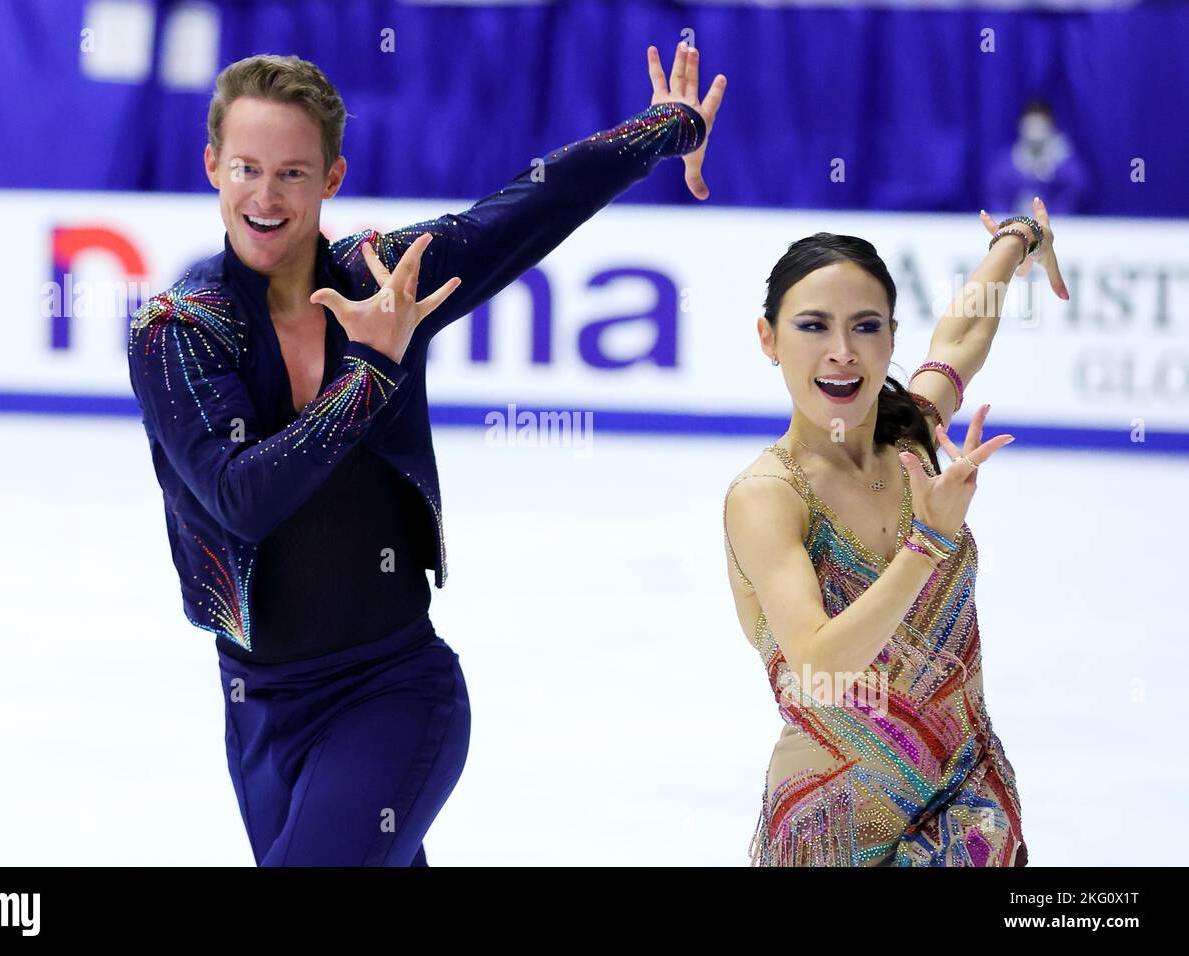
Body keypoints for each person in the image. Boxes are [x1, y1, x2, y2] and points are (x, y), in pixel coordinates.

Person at [128, 47, 724, 865]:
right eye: (247, 169)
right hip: (258, 705)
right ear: (211, 167)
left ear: (332, 177)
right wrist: (367, 375)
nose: (266, 197)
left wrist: (669, 126)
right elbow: (242, 497)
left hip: (395, 690)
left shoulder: (389, 280)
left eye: (294, 174)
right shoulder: (179, 331)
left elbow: (523, 209)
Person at [722, 198, 1067, 866]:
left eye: (865, 326)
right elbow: (819, 666)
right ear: (769, 338)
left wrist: (1019, 239)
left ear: (890, 336)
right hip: (835, 825)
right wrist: (927, 545)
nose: (842, 353)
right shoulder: (767, 497)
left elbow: (960, 338)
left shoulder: (913, 434)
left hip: (970, 805)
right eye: (813, 326)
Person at [987, 99, 1090, 216]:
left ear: (1051, 126)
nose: (1035, 128)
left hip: (1057, 227)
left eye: (1040, 123)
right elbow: (996, 198)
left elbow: (1075, 195)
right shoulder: (1006, 162)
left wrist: (1054, 171)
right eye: (1030, 123)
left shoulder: (1066, 161)